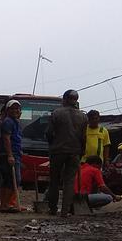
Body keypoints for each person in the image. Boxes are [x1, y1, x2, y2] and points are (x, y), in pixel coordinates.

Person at [44, 89, 87, 217]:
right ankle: (65, 210)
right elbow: (83, 137)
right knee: (69, 181)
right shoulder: (83, 116)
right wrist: (81, 151)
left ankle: (52, 208)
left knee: (54, 180)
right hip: (75, 151)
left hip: (58, 151)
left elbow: (49, 133)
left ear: (64, 99)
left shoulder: (56, 113)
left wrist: (52, 145)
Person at [0, 100, 23, 212]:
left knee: (8, 180)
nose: (15, 111)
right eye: (12, 108)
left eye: (17, 108)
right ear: (7, 110)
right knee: (14, 180)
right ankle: (5, 204)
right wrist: (10, 155)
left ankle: (5, 204)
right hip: (10, 154)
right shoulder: (8, 122)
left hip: (15, 153)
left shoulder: (15, 122)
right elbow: (6, 139)